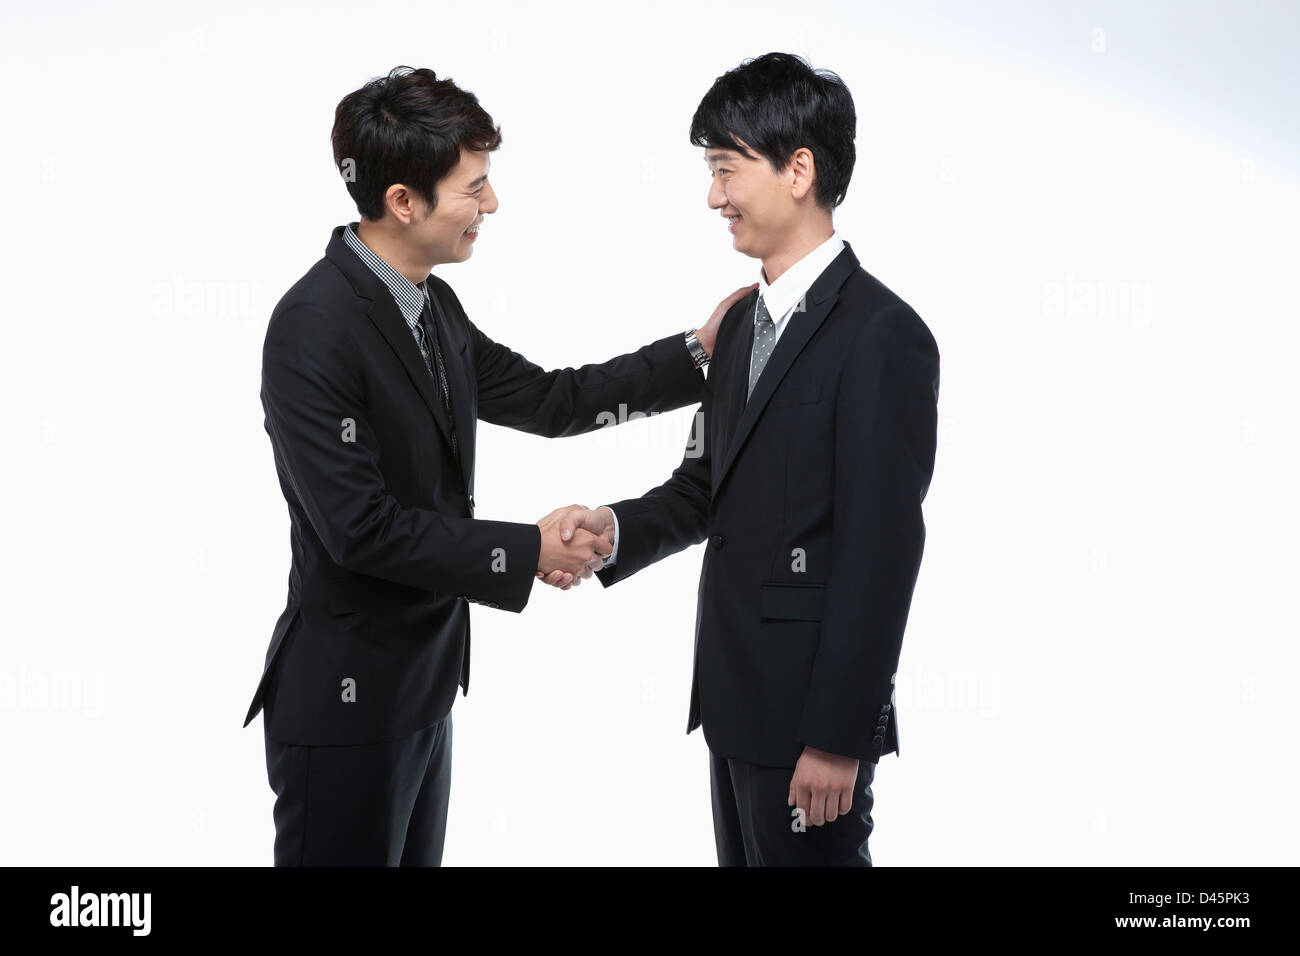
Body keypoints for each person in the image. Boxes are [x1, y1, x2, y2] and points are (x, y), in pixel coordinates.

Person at [242, 65, 752, 866]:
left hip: (423, 688)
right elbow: (358, 529)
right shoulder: (313, 326)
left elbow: (551, 401)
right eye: (473, 188)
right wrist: (527, 551)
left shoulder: (431, 304)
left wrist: (697, 355)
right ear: (403, 202)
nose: (492, 206)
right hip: (343, 704)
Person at [542, 53, 941, 866]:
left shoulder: (882, 335)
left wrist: (839, 737)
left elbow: (883, 551)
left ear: (800, 170)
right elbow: (703, 491)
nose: (713, 198)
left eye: (726, 170)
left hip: (809, 727)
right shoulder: (734, 331)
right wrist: (612, 530)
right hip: (731, 704)